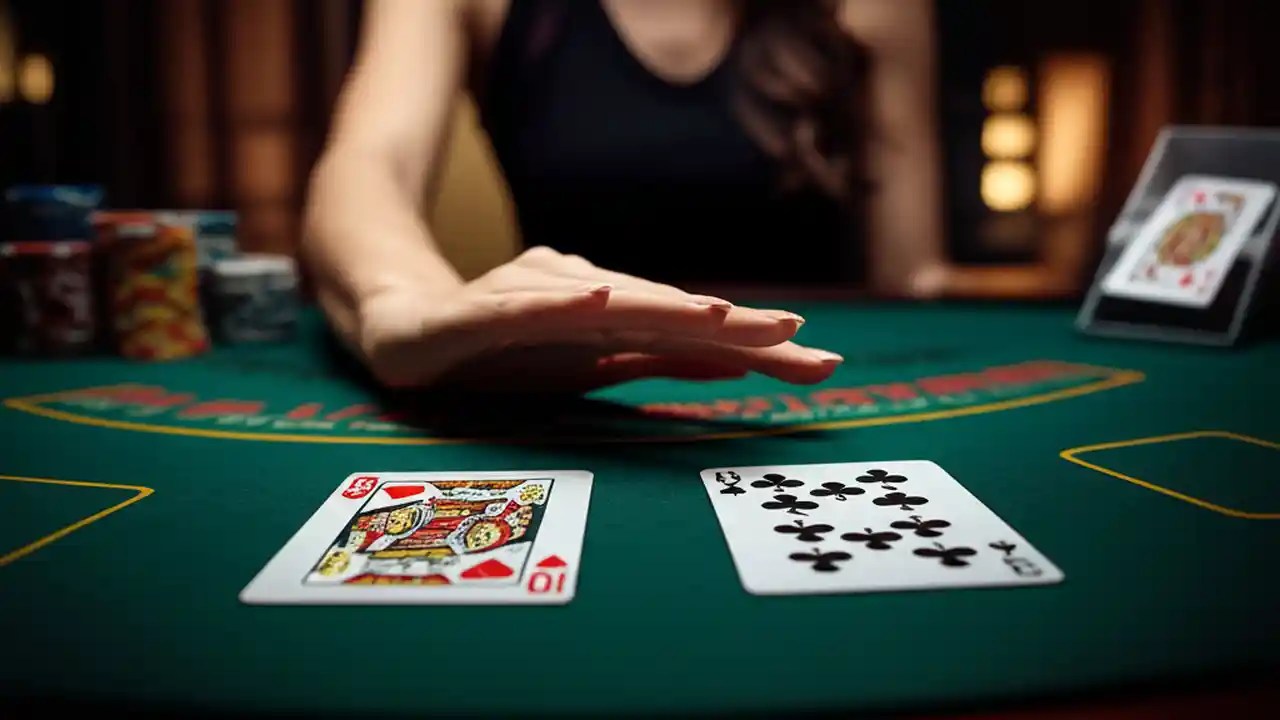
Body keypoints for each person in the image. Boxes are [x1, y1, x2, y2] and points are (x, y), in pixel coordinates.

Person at [301, 0, 945, 393]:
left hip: (824, 390)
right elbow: (369, 164)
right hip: (573, 395)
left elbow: (911, 274)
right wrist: (400, 294)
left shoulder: (873, 6)